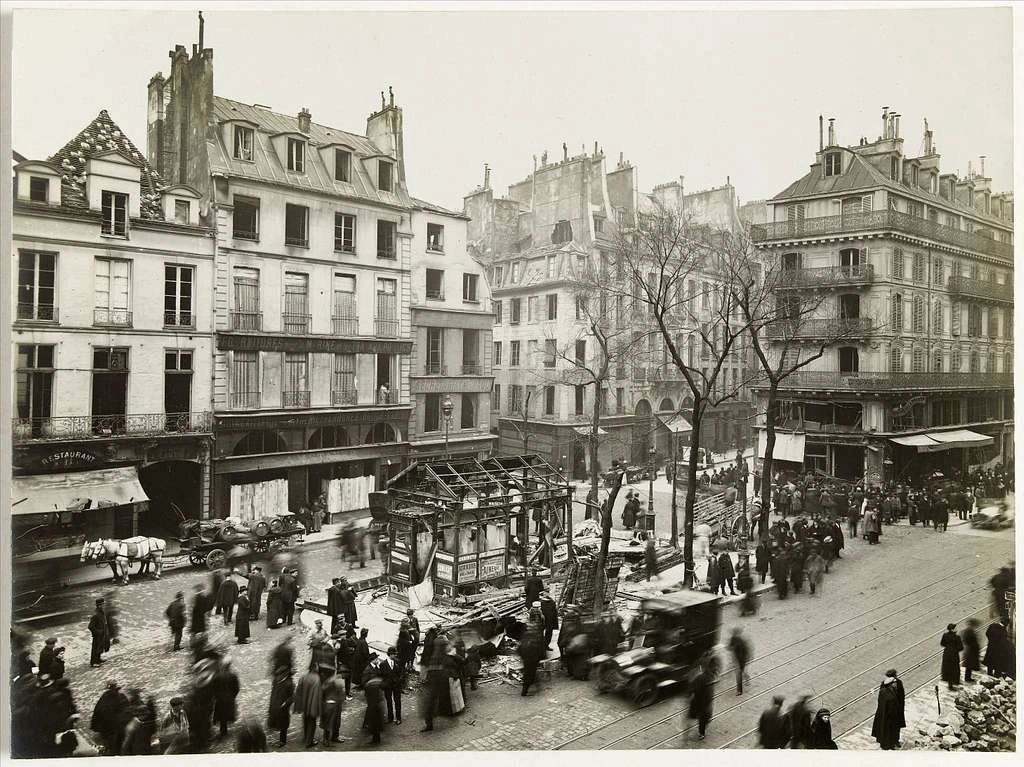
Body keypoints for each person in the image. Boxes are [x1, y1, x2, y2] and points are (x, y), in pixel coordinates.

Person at [870, 669, 906, 750]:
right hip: (889, 711)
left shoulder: (896, 683)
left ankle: (893, 742)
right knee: (891, 728)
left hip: (892, 711)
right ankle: (889, 743)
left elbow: (901, 696)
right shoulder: (891, 684)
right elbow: (900, 697)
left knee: (892, 727)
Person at [420, 637, 450, 732]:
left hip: (434, 680)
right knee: (433, 701)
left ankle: (430, 723)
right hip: (437, 679)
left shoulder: (436, 654)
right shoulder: (441, 654)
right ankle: (431, 721)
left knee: (429, 702)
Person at [91, 680, 129, 755]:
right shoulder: (121, 696)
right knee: (116, 743)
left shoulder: (104, 697)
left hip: (108, 726)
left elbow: (98, 711)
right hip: (115, 726)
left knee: (111, 743)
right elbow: (127, 709)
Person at [293, 661, 322, 748]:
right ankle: (309, 742)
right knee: (312, 723)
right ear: (315, 668)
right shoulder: (317, 679)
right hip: (312, 705)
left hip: (304, 705)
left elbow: (298, 692)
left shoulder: (303, 677)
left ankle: (306, 737)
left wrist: (298, 705)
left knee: (305, 721)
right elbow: (317, 695)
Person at [267, 667, 294, 748]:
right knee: (275, 720)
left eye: (279, 675)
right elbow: (273, 692)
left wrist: (285, 703)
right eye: (277, 675)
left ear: (284, 674)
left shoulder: (289, 683)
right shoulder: (276, 681)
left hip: (283, 707)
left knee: (283, 724)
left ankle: (282, 741)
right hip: (275, 704)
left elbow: (292, 697)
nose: (278, 677)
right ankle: (273, 730)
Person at [213, 658, 240, 738]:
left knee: (221, 714)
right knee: (228, 712)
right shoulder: (233, 675)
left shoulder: (217, 676)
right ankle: (225, 728)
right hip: (230, 697)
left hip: (220, 698)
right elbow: (237, 688)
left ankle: (223, 729)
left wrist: (216, 696)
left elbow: (214, 688)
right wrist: (233, 696)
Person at [687, 663, 715, 740]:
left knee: (697, 716)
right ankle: (701, 733)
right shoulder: (710, 678)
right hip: (705, 702)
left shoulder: (699, 678)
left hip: (698, 700)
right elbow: (710, 692)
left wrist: (690, 695)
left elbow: (692, 688)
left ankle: (697, 731)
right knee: (704, 718)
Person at [319, 669, 345, 745]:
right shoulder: (337, 680)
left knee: (330, 722)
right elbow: (342, 693)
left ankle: (328, 738)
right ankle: (333, 737)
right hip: (333, 704)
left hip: (330, 704)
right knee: (333, 721)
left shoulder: (326, 682)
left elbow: (321, 694)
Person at [362, 663, 386, 745]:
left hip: (375, 699)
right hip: (373, 697)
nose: (378, 660)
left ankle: (375, 737)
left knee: (375, 718)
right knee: (374, 717)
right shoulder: (368, 670)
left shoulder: (375, 668)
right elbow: (364, 682)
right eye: (376, 659)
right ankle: (375, 736)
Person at [519, 625, 545, 696]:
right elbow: (540, 649)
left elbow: (520, 648)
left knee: (527, 673)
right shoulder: (537, 637)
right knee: (531, 672)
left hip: (526, 659)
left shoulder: (525, 637)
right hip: (533, 659)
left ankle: (526, 689)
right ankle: (527, 689)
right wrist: (541, 657)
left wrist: (522, 656)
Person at [382, 646, 403, 723]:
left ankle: (398, 718)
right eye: (394, 654)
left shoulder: (398, 662)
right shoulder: (383, 664)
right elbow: (382, 676)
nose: (395, 655)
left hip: (396, 685)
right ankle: (390, 718)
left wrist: (399, 681)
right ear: (390, 654)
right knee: (389, 702)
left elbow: (401, 673)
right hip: (388, 686)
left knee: (397, 702)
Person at [88, 598, 111, 667]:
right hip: (97, 635)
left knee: (100, 647)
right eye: (103, 604)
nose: (104, 605)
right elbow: (90, 626)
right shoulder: (95, 614)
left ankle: (98, 659)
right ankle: (93, 662)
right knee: (95, 648)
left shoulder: (101, 612)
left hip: (102, 634)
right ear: (99, 605)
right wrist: (98, 632)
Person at [940, 623, 963, 690]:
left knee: (948, 669)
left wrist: (948, 647)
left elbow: (942, 644)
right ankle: (956, 682)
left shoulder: (945, 635)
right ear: (952, 629)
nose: (956, 629)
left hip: (947, 654)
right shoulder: (957, 637)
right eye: (955, 628)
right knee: (955, 669)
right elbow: (960, 647)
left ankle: (950, 685)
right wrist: (955, 649)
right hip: (954, 655)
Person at [728, 628, 751, 695]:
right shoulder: (733, 638)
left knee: (739, 674)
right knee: (740, 673)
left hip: (742, 659)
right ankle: (746, 678)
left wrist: (747, 658)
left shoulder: (742, 641)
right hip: (736, 658)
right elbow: (730, 647)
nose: (734, 634)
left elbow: (747, 650)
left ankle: (740, 690)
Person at [961, 618, 981, 683]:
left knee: (969, 665)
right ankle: (967, 678)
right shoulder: (969, 631)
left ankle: (968, 677)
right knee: (969, 665)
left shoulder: (969, 630)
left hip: (970, 650)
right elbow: (967, 640)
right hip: (970, 651)